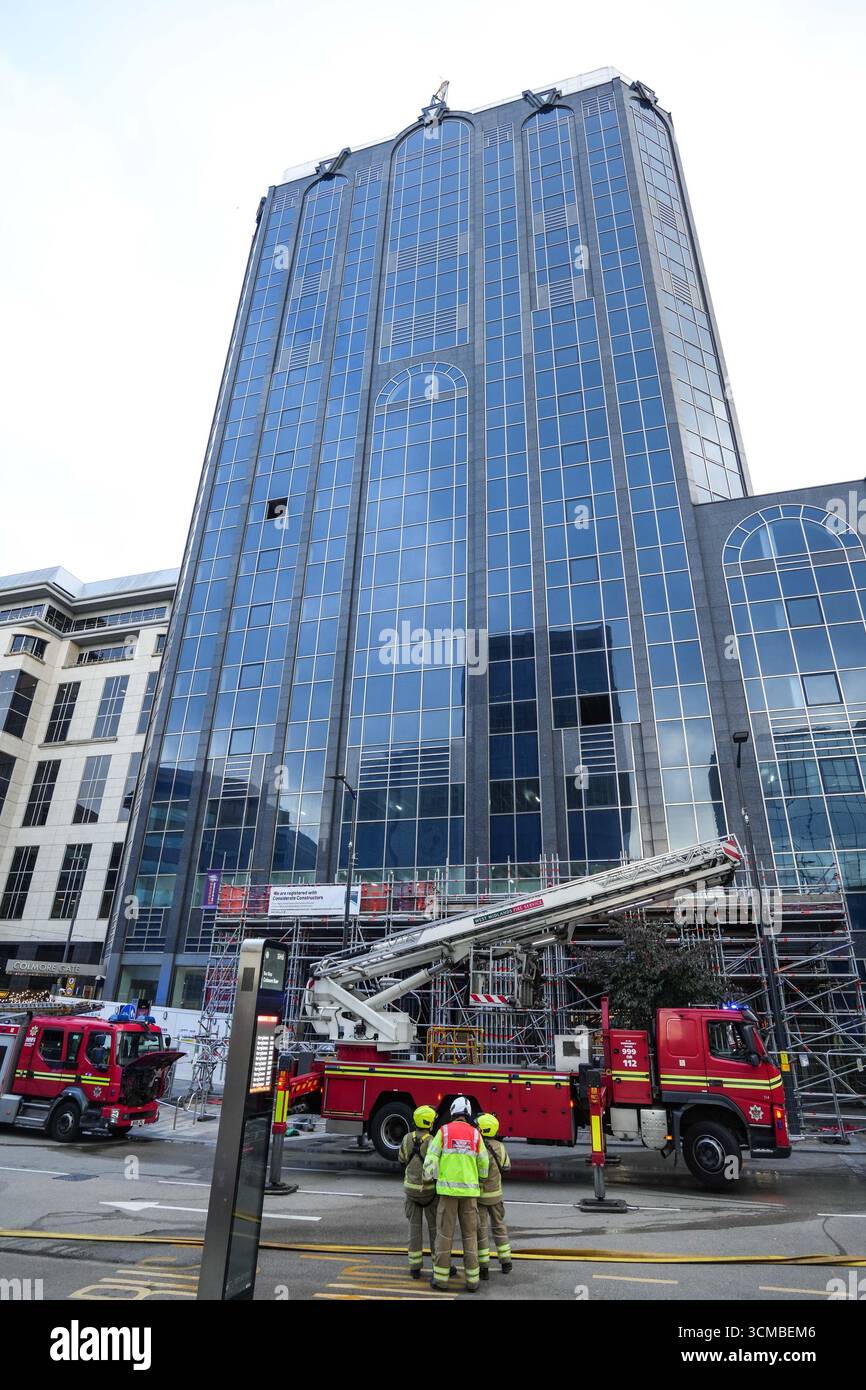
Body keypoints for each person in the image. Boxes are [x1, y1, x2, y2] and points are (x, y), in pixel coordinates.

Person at [423, 1096, 488, 1292]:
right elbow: (484, 1163)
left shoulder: (443, 1132)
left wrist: (431, 1178)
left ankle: (441, 1280)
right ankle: (473, 1281)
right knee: (470, 1237)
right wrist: (480, 1180)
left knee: (444, 1236)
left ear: (452, 1112)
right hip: (470, 1195)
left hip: (447, 1194)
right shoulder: (476, 1135)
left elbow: (431, 1159)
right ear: (468, 1114)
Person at [398, 1105, 439, 1279]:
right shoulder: (433, 1140)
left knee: (414, 1229)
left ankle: (415, 1267)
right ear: (429, 1122)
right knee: (435, 1229)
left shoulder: (407, 1138)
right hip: (429, 1192)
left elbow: (401, 1159)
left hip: (411, 1192)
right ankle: (439, 1264)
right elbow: (435, 1168)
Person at [476, 1113, 513, 1276]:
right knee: (499, 1227)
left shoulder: (477, 1146)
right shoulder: (500, 1147)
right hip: (496, 1196)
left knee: (481, 1230)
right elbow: (506, 1167)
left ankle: (484, 1267)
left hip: (480, 1197)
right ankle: (506, 1262)